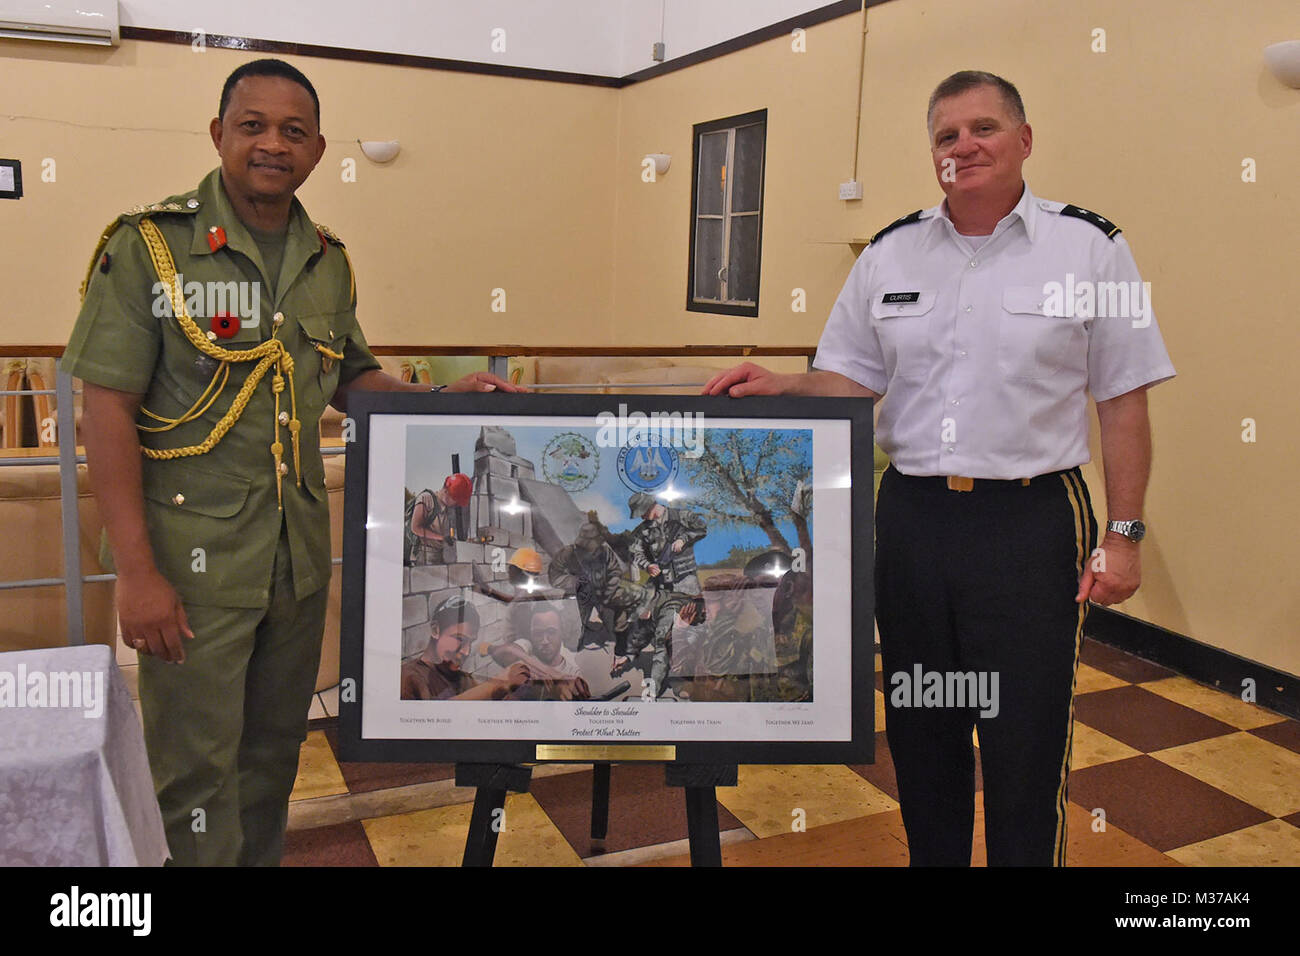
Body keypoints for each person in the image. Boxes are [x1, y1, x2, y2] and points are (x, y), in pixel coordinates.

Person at [705, 70, 1175, 865]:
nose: (965, 146)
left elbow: (1123, 401)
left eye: (983, 129)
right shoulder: (891, 254)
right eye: (946, 136)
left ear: (1024, 141)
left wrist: (1124, 533)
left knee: (1024, 734)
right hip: (914, 520)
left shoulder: (1091, 247)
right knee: (925, 727)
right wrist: (782, 383)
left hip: (1030, 523)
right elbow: (854, 377)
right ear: (934, 157)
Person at [63, 58, 521, 867]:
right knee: (193, 776)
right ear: (219, 135)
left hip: (295, 563)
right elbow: (105, 412)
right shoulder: (149, 250)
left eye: (293, 131)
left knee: (274, 765)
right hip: (190, 568)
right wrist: (134, 572)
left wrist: (444, 398)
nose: (273, 144)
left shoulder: (326, 258)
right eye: (253, 126)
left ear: (315, 149)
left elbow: (349, 375)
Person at [402, 595, 529, 701]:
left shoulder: (465, 680)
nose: (466, 651)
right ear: (436, 630)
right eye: (460, 639)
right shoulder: (409, 677)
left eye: (470, 642)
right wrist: (498, 684)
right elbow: (433, 718)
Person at [487, 601, 590, 700]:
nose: (544, 641)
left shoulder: (573, 673)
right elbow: (503, 652)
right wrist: (554, 674)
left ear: (561, 633)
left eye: (551, 632)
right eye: (538, 634)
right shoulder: (527, 650)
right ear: (531, 635)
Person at [625, 492, 707, 597]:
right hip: (659, 581)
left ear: (650, 507)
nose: (641, 517)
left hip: (685, 580)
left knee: (687, 609)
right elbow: (634, 551)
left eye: (642, 513)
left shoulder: (682, 516)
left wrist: (683, 539)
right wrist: (647, 565)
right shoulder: (642, 530)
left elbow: (702, 529)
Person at [405, 473, 472, 565]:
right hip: (423, 554)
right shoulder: (426, 498)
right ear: (446, 492)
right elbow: (415, 528)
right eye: (455, 500)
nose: (456, 504)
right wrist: (442, 538)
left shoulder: (447, 509)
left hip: (438, 554)